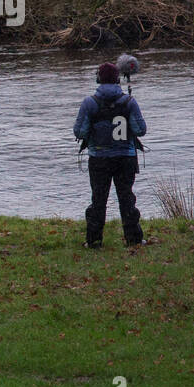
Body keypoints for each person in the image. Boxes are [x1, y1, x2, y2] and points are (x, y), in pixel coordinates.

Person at [73, 62, 147, 248]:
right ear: (118, 80)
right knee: (126, 198)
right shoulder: (129, 102)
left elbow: (79, 132)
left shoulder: (89, 103)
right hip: (125, 158)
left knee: (98, 199)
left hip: (99, 159)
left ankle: (94, 241)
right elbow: (141, 130)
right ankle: (134, 240)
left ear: (98, 79)